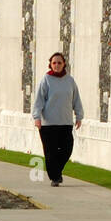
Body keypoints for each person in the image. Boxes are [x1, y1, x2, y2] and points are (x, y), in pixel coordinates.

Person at [31, 51, 83, 186]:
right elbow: (39, 100)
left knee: (67, 149)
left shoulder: (70, 81)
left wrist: (79, 116)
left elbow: (76, 99)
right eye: (54, 63)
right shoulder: (46, 80)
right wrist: (37, 117)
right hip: (48, 124)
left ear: (64, 64)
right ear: (50, 64)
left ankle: (56, 172)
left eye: (59, 63)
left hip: (65, 122)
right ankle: (55, 177)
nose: (57, 65)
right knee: (50, 153)